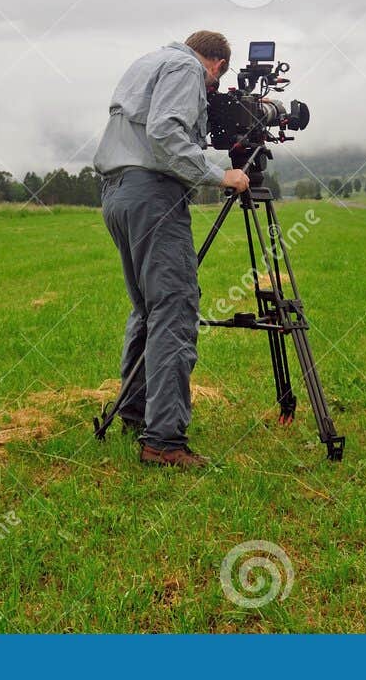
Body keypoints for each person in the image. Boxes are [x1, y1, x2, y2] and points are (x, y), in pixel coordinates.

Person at [93, 31, 250, 468]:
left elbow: (150, 129)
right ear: (217, 65)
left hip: (118, 193)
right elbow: (165, 132)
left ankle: (136, 413)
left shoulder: (149, 62)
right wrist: (221, 175)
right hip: (152, 194)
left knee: (150, 308)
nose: (211, 92)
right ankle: (163, 441)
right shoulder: (186, 68)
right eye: (215, 85)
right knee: (175, 308)